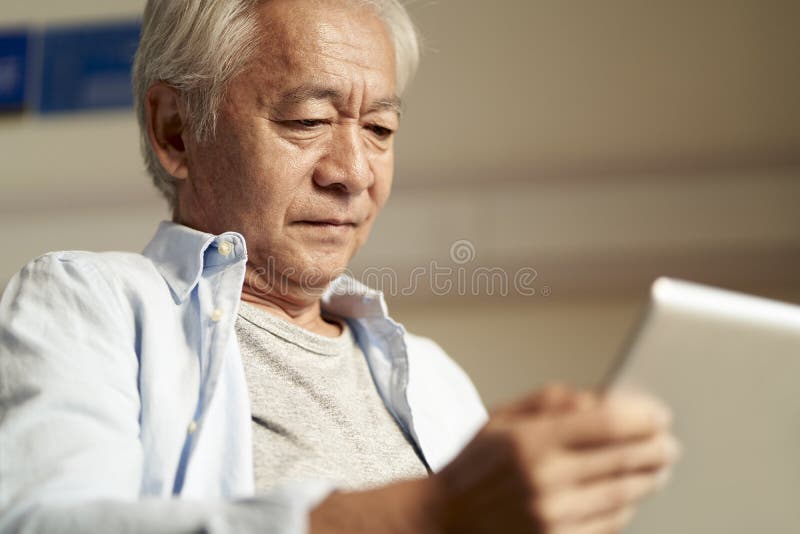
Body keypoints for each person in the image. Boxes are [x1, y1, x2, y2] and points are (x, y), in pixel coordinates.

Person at [0, 0, 680, 532]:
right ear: (178, 130)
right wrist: (428, 515)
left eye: (380, 131)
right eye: (306, 120)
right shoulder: (89, 305)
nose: (354, 173)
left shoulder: (436, 378)